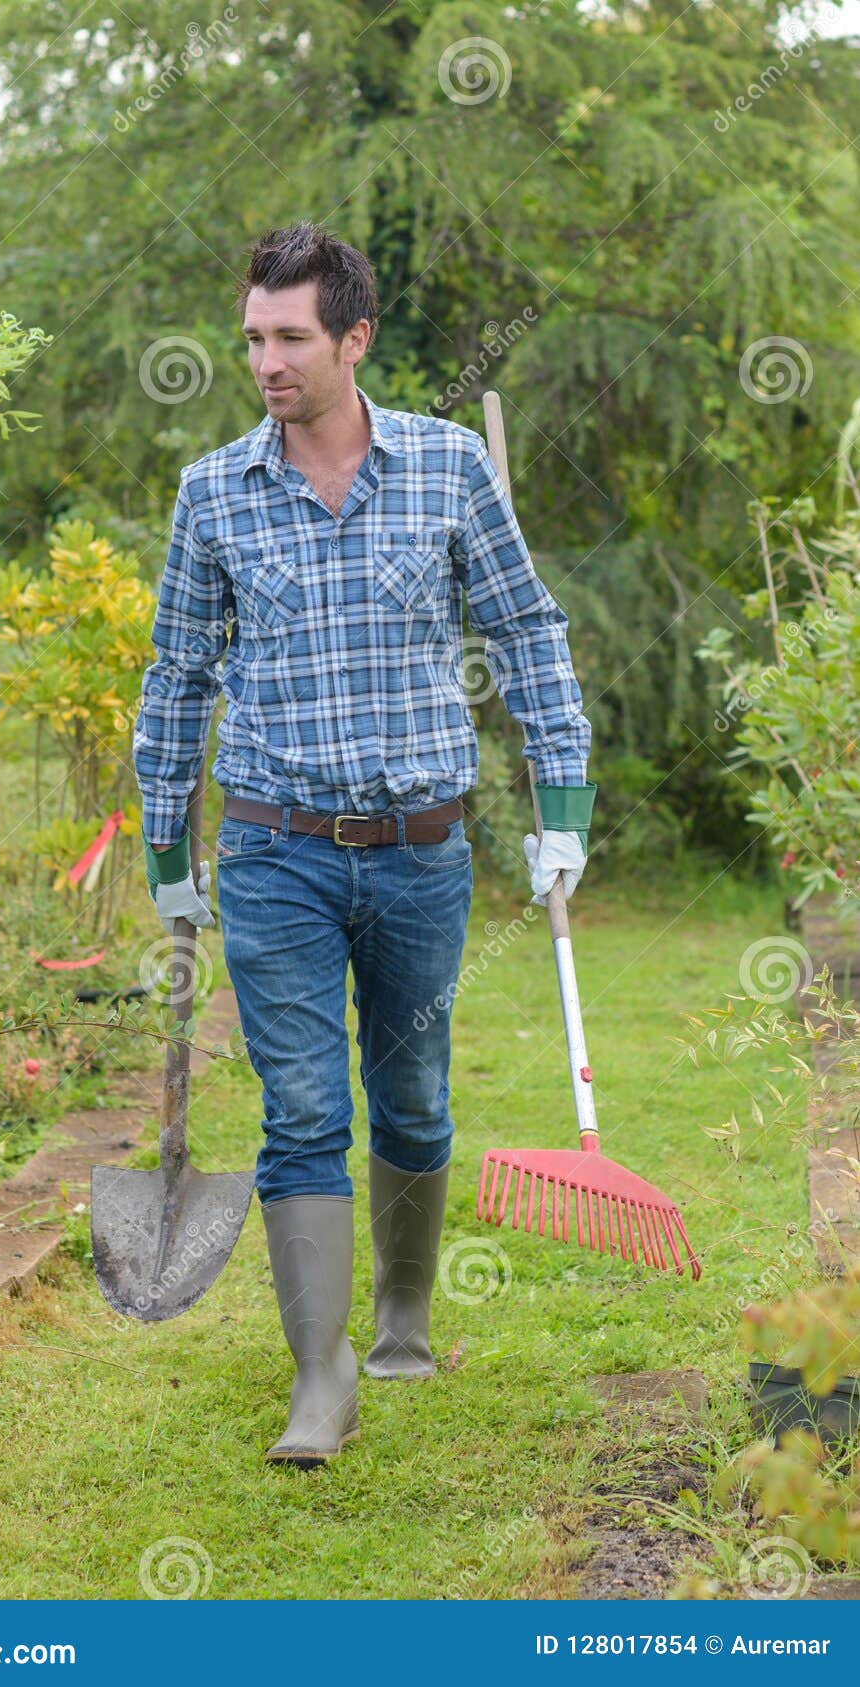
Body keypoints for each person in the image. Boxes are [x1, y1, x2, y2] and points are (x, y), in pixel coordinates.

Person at [132, 220, 595, 1469]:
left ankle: (400, 1312)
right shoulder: (212, 493)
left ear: (354, 337)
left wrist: (565, 808)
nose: (266, 360)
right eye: (251, 338)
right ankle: (318, 1375)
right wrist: (167, 846)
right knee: (298, 1110)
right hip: (275, 846)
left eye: (289, 337)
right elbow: (177, 677)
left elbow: (531, 635)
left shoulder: (449, 472)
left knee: (414, 1097)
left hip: (418, 848)